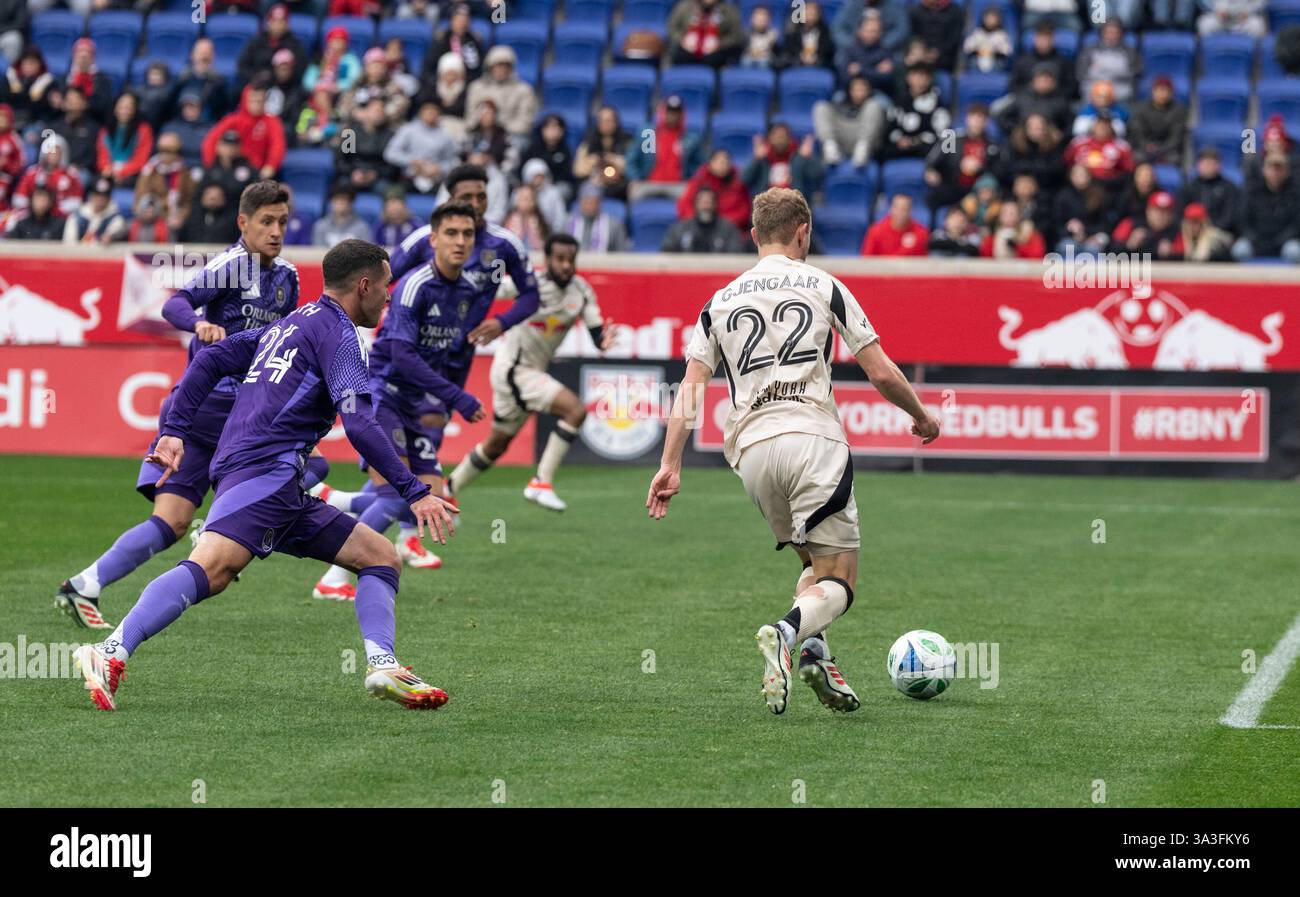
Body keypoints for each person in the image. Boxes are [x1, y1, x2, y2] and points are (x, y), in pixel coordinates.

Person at [71, 238, 457, 712]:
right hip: (265, 473)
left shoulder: (291, 323)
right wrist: (415, 492)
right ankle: (108, 650)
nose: (389, 296)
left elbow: (212, 358)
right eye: (385, 286)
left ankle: (383, 663)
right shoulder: (338, 337)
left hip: (273, 476)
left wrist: (173, 430)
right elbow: (359, 423)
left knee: (380, 556)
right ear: (363, 285)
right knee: (212, 568)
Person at [645, 186, 941, 716]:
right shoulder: (826, 284)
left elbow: (689, 391)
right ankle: (785, 634)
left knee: (812, 562)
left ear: (755, 236)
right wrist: (920, 415)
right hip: (812, 439)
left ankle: (815, 654)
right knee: (841, 580)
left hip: (753, 453)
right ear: (803, 233)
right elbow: (879, 371)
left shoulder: (719, 302)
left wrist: (670, 463)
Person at [57, 182, 300, 630]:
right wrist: (200, 323)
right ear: (243, 223)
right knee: (174, 520)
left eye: (282, 222)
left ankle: (83, 584)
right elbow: (176, 304)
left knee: (177, 518)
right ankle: (212, 531)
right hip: (207, 409)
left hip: (241, 412)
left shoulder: (288, 277)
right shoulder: (233, 265)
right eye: (266, 221)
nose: (275, 231)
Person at [310, 205, 489, 597]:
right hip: (385, 392)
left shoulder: (469, 290)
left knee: (430, 497)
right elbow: (402, 354)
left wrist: (442, 403)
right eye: (452, 233)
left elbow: (455, 353)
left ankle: (337, 500)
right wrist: (455, 396)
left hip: (421, 406)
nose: (460, 241)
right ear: (433, 239)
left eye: (467, 234)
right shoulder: (414, 286)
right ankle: (332, 580)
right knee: (396, 494)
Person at [451, 233, 616, 510]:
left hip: (529, 372)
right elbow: (490, 288)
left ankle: (447, 489)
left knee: (496, 446)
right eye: (560, 259)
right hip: (513, 370)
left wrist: (604, 341)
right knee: (575, 411)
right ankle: (541, 482)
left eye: (571, 259)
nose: (566, 265)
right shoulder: (531, 284)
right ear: (548, 260)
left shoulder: (582, 291)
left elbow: (596, 333)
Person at [625, 95, 706, 201]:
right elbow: (631, 159)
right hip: (649, 183)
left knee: (691, 196)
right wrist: (635, 178)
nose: (672, 115)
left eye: (676, 112)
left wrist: (691, 180)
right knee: (634, 193)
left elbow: (701, 165)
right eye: (669, 111)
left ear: (682, 114)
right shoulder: (649, 134)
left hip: (678, 185)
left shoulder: (691, 138)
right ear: (662, 112)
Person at [1233, 153, 1300, 263]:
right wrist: (1255, 239)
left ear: (1286, 172)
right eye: (1271, 169)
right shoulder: (1252, 191)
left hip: (1284, 242)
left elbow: (1296, 224)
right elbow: (1243, 220)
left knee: (1294, 251)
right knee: (1240, 250)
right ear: (1264, 170)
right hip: (1256, 241)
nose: (1275, 173)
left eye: (1279, 169)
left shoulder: (1295, 193)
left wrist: (1280, 240)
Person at [464, 45, 537, 139]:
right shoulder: (477, 88)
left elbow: (525, 122)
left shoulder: (524, 90)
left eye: (505, 66)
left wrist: (499, 129)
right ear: (490, 67)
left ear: (511, 68)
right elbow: (471, 117)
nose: (502, 70)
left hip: (510, 134)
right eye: (498, 66)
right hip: (480, 132)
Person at [813, 74, 886, 168]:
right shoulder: (840, 102)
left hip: (865, 141)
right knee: (820, 106)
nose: (859, 93)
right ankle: (831, 148)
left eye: (862, 89)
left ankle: (862, 151)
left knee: (874, 106)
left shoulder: (876, 104)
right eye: (856, 89)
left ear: (868, 91)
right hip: (842, 139)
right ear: (850, 91)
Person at [678, 148, 753, 233]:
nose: (722, 163)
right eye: (718, 160)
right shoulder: (698, 182)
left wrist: (721, 224)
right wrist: (700, 221)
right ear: (710, 164)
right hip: (699, 229)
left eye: (726, 161)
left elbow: (744, 212)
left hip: (730, 232)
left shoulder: (739, 184)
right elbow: (684, 207)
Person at [743, 121, 825, 196]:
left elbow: (818, 175)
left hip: (794, 206)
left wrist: (809, 158)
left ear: (789, 139)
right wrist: (756, 160)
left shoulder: (799, 158)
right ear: (770, 139)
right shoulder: (763, 159)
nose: (780, 140)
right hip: (767, 206)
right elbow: (744, 179)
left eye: (782, 136)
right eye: (777, 136)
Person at [662, 185, 748, 253]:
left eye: (709, 202)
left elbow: (736, 253)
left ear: (715, 205)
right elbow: (667, 250)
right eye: (702, 202)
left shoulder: (729, 229)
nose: (706, 206)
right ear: (695, 204)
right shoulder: (681, 228)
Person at [96, 91, 154, 186]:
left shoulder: (144, 130)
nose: (125, 110)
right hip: (109, 171)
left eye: (129, 107)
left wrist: (121, 172)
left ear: (135, 109)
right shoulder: (105, 130)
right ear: (115, 108)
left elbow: (141, 159)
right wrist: (107, 169)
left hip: (132, 173)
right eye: (121, 106)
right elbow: (102, 155)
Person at [1179, 147, 1240, 236]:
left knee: (1208, 240)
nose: (1207, 166)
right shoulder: (1189, 187)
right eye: (1204, 163)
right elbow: (1179, 213)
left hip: (1220, 233)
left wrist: (1207, 229)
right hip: (1191, 231)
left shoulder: (1229, 188)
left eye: (1211, 163)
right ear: (1198, 165)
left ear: (1219, 166)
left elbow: (1229, 218)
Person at [1127, 76, 1187, 166]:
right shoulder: (1141, 109)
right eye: (1159, 90)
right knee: (1136, 157)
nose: (1162, 94)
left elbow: (1176, 136)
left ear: (1171, 93)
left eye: (1166, 91)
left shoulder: (1178, 110)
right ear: (1153, 91)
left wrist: (1161, 149)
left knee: (1174, 158)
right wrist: (1146, 146)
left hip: (1167, 149)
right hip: (1145, 147)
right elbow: (1138, 133)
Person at [669, 0, 744, 68]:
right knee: (678, 56)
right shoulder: (684, 6)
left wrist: (719, 44)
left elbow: (735, 35)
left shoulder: (729, 10)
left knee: (716, 59)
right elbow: (672, 27)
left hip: (715, 52)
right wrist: (683, 40)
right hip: (687, 50)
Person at [565, 181, 630, 252]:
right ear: (580, 203)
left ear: (600, 204)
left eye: (593, 202)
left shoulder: (614, 225)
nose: (590, 206)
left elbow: (621, 252)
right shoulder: (567, 223)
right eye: (586, 202)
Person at [63, 177, 127, 244]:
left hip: (103, 253)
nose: (100, 199)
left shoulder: (115, 217)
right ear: (91, 196)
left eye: (104, 196)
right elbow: (69, 242)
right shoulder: (77, 216)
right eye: (97, 195)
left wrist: (110, 236)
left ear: (109, 198)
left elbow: (116, 229)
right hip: (79, 253)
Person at [862, 192, 928, 255]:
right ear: (890, 209)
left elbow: (923, 262)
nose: (900, 213)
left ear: (911, 211)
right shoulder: (875, 232)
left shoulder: (921, 234)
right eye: (897, 208)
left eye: (905, 209)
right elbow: (866, 261)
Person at [980, 201, 1045, 258]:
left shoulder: (1031, 236)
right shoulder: (991, 238)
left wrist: (1018, 245)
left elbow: (1037, 256)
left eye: (1012, 213)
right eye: (1005, 213)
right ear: (999, 217)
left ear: (1019, 216)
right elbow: (984, 256)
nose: (1009, 217)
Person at [963, 6, 1012, 73]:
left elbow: (1007, 51)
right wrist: (979, 51)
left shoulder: (1002, 35)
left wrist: (992, 53)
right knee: (972, 62)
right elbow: (967, 48)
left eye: (993, 18)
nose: (990, 20)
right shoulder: (977, 33)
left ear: (998, 20)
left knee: (1000, 63)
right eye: (987, 18)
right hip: (977, 61)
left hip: (995, 62)